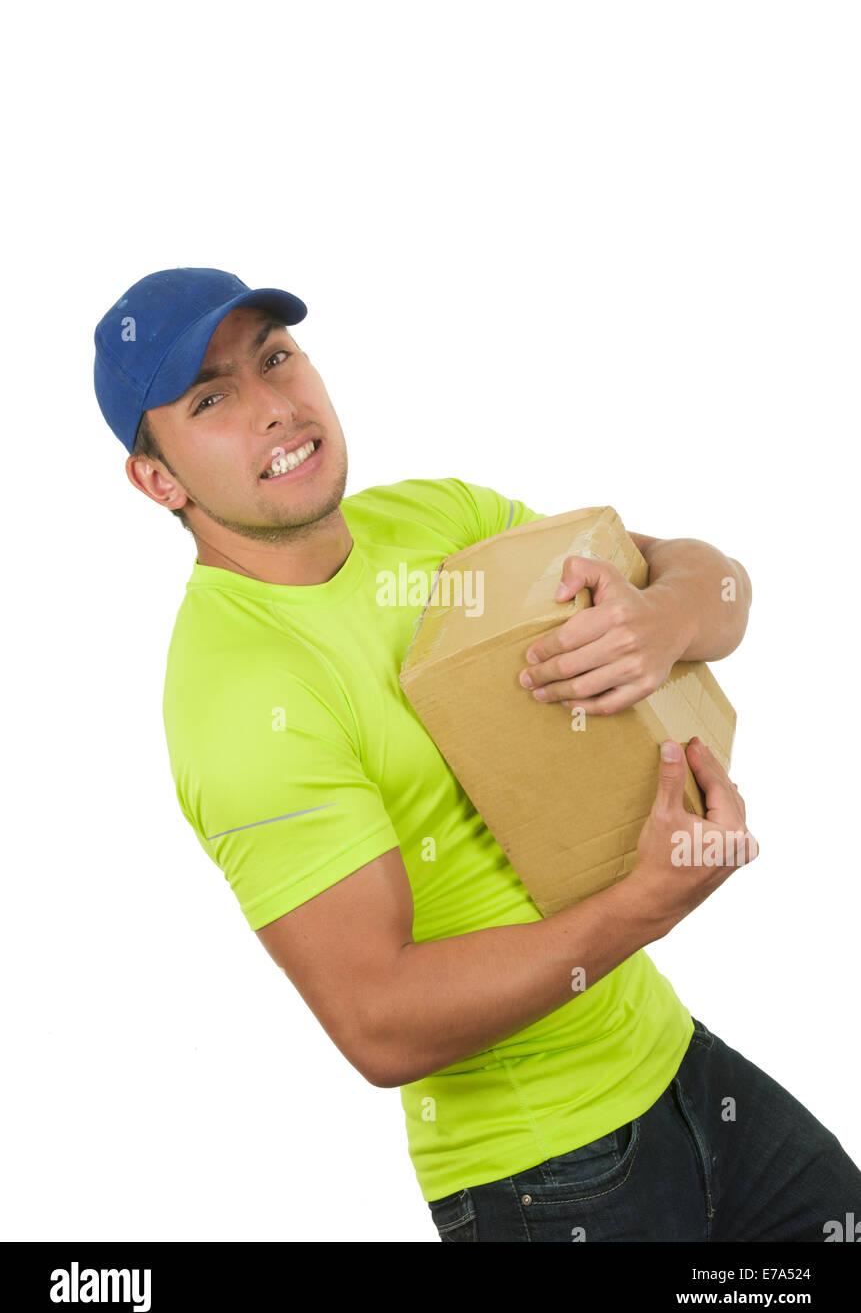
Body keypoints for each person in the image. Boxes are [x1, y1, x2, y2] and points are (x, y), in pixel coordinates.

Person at [93, 266, 861, 1242]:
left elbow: (715, 580)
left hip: (674, 1061)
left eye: (276, 357)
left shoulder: (434, 518)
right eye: (213, 397)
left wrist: (661, 620)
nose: (275, 407)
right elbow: (380, 1023)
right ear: (158, 477)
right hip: (545, 1177)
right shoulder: (241, 694)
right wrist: (645, 904)